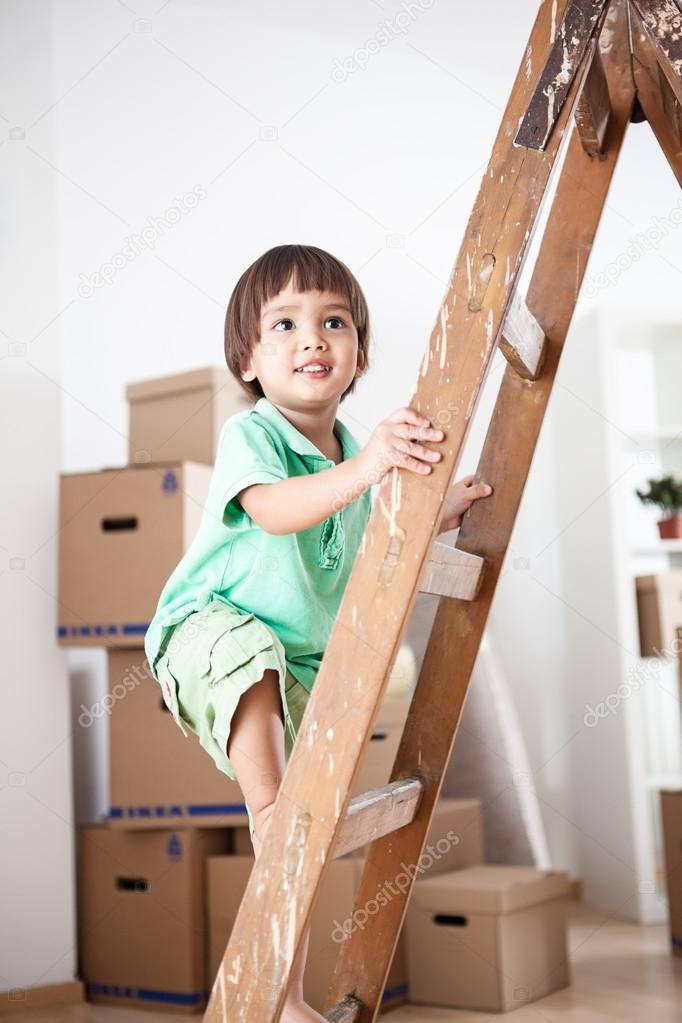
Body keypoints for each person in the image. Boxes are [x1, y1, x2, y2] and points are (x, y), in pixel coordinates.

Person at [144, 243, 492, 1021]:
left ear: (359, 355)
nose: (313, 340)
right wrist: (371, 467)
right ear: (249, 358)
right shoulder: (254, 433)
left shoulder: (352, 454)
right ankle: (269, 806)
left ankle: (284, 996)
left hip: (296, 663)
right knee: (273, 788)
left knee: (292, 843)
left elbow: (379, 537)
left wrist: (440, 508)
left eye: (334, 322)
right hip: (208, 627)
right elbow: (272, 508)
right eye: (287, 324)